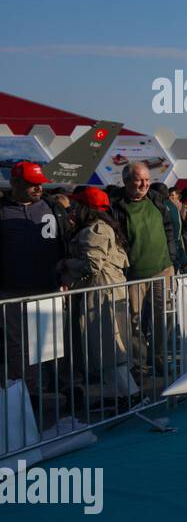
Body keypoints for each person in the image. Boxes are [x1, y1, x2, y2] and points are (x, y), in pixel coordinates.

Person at [56, 188, 138, 404]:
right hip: (103, 290)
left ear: (86, 208)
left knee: (109, 347)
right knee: (106, 347)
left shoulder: (96, 229)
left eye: (76, 205)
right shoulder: (98, 227)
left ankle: (130, 395)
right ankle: (119, 395)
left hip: (102, 292)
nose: (72, 209)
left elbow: (92, 265)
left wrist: (65, 264)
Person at [0, 161, 67, 400]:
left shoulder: (52, 207)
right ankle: (24, 394)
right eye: (32, 184)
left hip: (47, 286)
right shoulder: (3, 210)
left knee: (47, 345)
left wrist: (64, 273)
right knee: (17, 347)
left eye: (40, 183)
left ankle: (45, 390)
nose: (38, 188)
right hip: (12, 290)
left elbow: (63, 243)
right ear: (15, 183)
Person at [110, 161, 177, 380]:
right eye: (139, 180)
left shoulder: (156, 200)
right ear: (127, 180)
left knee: (163, 318)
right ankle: (138, 365)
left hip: (163, 270)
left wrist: (171, 255)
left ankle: (159, 358)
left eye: (147, 180)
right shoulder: (116, 206)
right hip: (134, 275)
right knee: (134, 322)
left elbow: (169, 228)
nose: (144, 184)